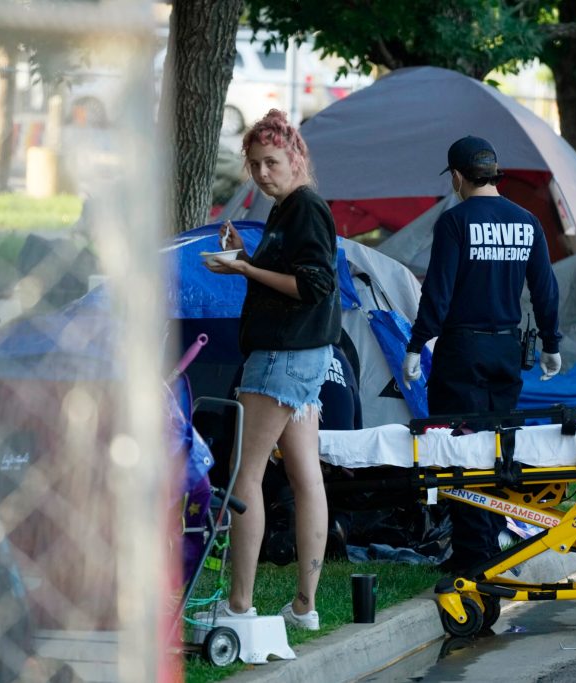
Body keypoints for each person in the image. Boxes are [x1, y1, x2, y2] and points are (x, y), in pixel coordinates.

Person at [204, 109, 342, 631]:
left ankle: (239, 606)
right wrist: (245, 256)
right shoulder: (292, 207)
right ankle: (304, 607)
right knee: (306, 476)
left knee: (247, 474)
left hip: (283, 356)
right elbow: (288, 274)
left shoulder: (304, 207)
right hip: (305, 356)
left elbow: (313, 285)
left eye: (272, 162)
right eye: (255, 164)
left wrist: (242, 267)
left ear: (296, 157)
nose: (263, 173)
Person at [402, 135, 562, 573]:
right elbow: (545, 289)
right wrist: (551, 344)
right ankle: (491, 543)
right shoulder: (526, 221)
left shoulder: (455, 222)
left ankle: (474, 557)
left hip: (462, 349)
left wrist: (417, 344)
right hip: (508, 348)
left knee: (461, 450)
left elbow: (439, 290)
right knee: (496, 449)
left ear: (457, 177)